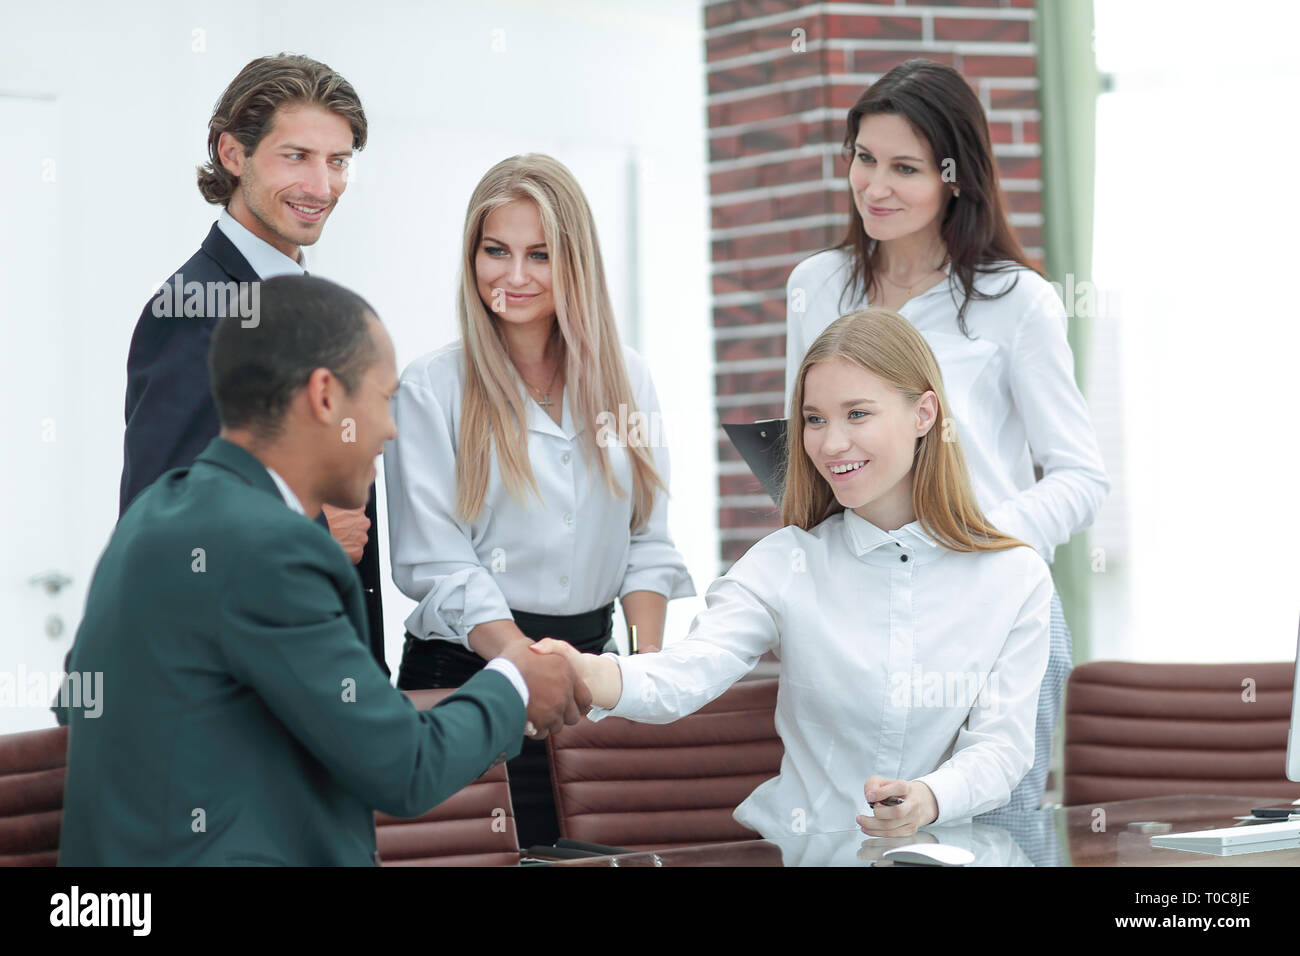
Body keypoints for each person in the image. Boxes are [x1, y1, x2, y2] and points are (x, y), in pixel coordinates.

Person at [56, 275, 590, 866]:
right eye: (384, 400)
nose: (391, 430)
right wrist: (516, 682)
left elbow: (79, 703)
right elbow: (404, 767)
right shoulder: (269, 548)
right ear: (326, 396)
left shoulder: (153, 517)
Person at [534, 309, 1053, 841]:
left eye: (857, 414)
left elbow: (1002, 747)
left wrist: (930, 798)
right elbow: (689, 671)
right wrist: (591, 674)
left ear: (924, 415)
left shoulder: (1014, 578)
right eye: (815, 418)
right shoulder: (783, 563)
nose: (830, 445)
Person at [783, 59, 1109, 810]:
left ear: (956, 178)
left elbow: (1080, 477)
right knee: (865, 820)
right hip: (860, 610)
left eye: (905, 168)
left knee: (1001, 822)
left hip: (991, 611)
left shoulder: (1015, 301)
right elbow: (808, 439)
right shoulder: (816, 285)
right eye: (864, 159)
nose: (875, 186)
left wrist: (975, 536)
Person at [384, 154, 695, 847]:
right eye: (495, 251)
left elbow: (648, 542)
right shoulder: (433, 387)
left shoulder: (626, 379)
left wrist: (643, 672)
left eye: (540, 254)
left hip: (591, 687)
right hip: (467, 683)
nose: (514, 276)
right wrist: (528, 667)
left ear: (575, 262)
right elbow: (438, 566)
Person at [118, 53, 388, 672]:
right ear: (233, 155)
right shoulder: (192, 310)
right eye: (296, 156)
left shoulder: (307, 301)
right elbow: (158, 540)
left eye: (338, 161)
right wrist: (317, 534)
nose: (322, 187)